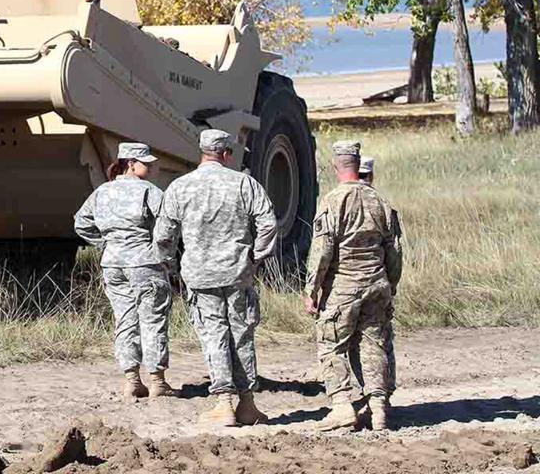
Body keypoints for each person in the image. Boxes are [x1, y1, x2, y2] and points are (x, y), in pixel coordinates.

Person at [156, 129, 278, 427]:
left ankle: (224, 403)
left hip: (199, 275)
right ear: (227, 154)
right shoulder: (244, 184)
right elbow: (268, 224)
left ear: (201, 151)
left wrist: (171, 267)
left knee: (214, 336)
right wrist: (255, 258)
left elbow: (163, 236)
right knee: (242, 335)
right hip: (238, 273)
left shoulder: (180, 187)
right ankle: (247, 404)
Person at [304, 140, 403, 432]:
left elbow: (322, 250)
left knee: (330, 345)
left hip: (343, 287)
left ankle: (341, 406)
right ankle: (378, 408)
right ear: (358, 167)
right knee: (374, 345)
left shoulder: (332, 201)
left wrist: (312, 289)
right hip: (377, 284)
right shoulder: (380, 201)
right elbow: (394, 251)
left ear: (336, 167)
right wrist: (391, 284)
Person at [74, 141, 176, 402]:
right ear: (131, 163)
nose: (152, 168)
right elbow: (167, 228)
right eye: (146, 163)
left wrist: (106, 243)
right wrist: (164, 256)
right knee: (152, 320)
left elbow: (81, 223)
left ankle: (132, 381)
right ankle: (157, 382)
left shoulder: (102, 192)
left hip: (112, 265)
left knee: (125, 320)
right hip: (144, 263)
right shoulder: (149, 192)